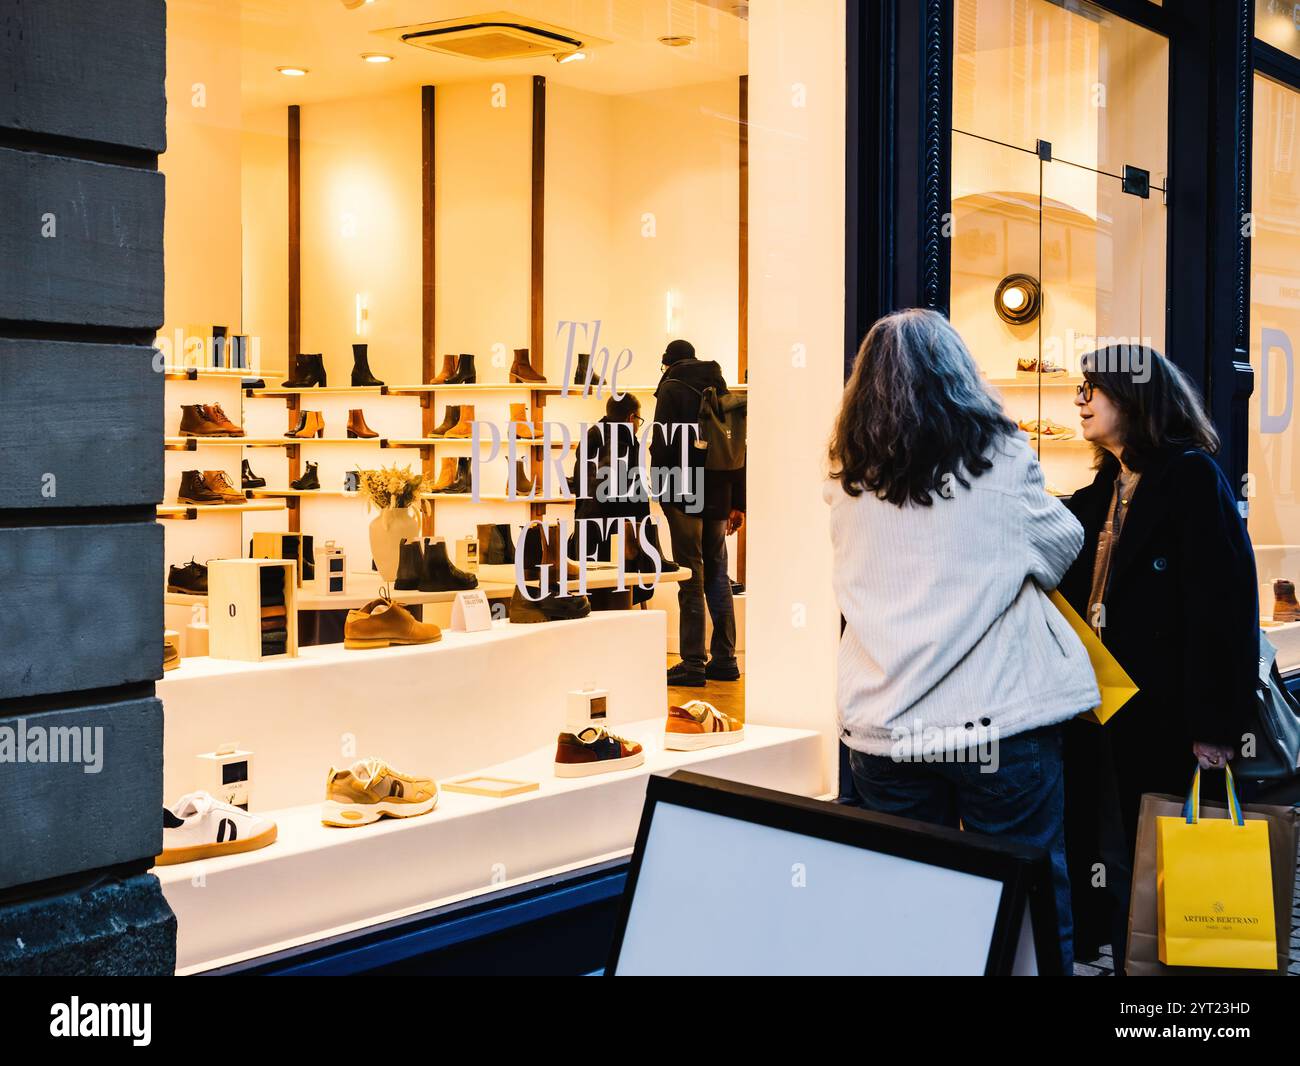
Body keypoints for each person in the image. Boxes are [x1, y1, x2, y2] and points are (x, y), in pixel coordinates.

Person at [826, 309, 1099, 974]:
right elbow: (1063, 547)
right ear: (959, 377)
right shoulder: (999, 460)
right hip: (997, 723)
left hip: (885, 728)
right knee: (1029, 898)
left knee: (908, 901)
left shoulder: (846, 477)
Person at [1058, 346, 1258, 968]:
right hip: (1099, 706)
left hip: (1167, 710)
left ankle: (1179, 964)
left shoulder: (1190, 476)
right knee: (1112, 849)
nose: (1080, 400)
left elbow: (1222, 607)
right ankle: (1126, 956)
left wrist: (1216, 728)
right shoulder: (1103, 488)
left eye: (1094, 389)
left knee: (1165, 848)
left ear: (1136, 397)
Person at [650, 339, 745, 686]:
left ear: (668, 362)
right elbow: (737, 445)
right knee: (718, 573)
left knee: (690, 574)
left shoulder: (671, 387)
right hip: (719, 491)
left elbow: (661, 445)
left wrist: (661, 491)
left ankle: (692, 663)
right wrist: (739, 500)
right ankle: (725, 659)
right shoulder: (718, 385)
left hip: (682, 489)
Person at [570, 393, 654, 606]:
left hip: (587, 525)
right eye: (639, 420)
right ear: (630, 417)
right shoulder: (623, 442)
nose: (638, 426)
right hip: (615, 531)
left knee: (594, 593)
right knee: (616, 595)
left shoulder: (592, 435)